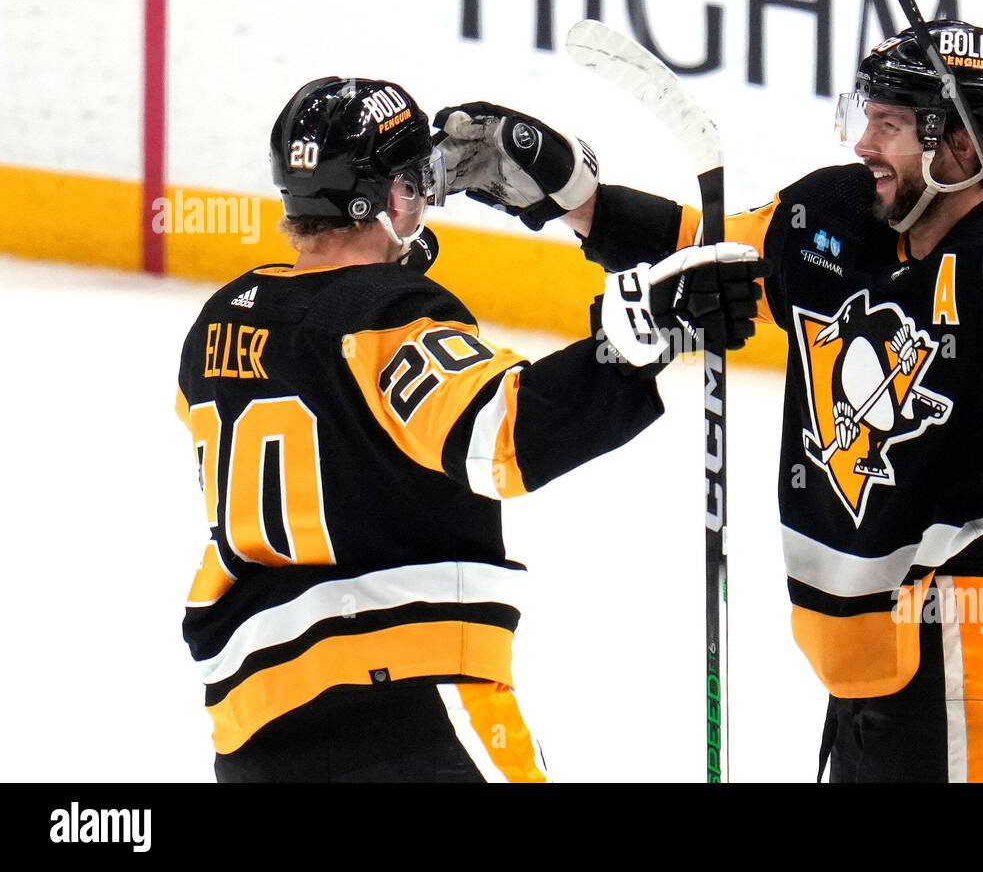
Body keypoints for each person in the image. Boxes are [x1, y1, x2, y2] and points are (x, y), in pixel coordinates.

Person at [434, 21, 983, 783]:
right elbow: (703, 252)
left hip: (976, 646)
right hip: (872, 657)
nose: (864, 144)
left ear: (958, 146)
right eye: (867, 116)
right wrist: (575, 198)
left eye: (889, 125)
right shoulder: (833, 214)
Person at [173, 76, 766, 782]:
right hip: (405, 704)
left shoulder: (218, 322)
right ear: (392, 199)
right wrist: (636, 339)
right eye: (418, 180)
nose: (428, 194)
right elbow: (500, 439)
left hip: (253, 730)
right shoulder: (387, 315)